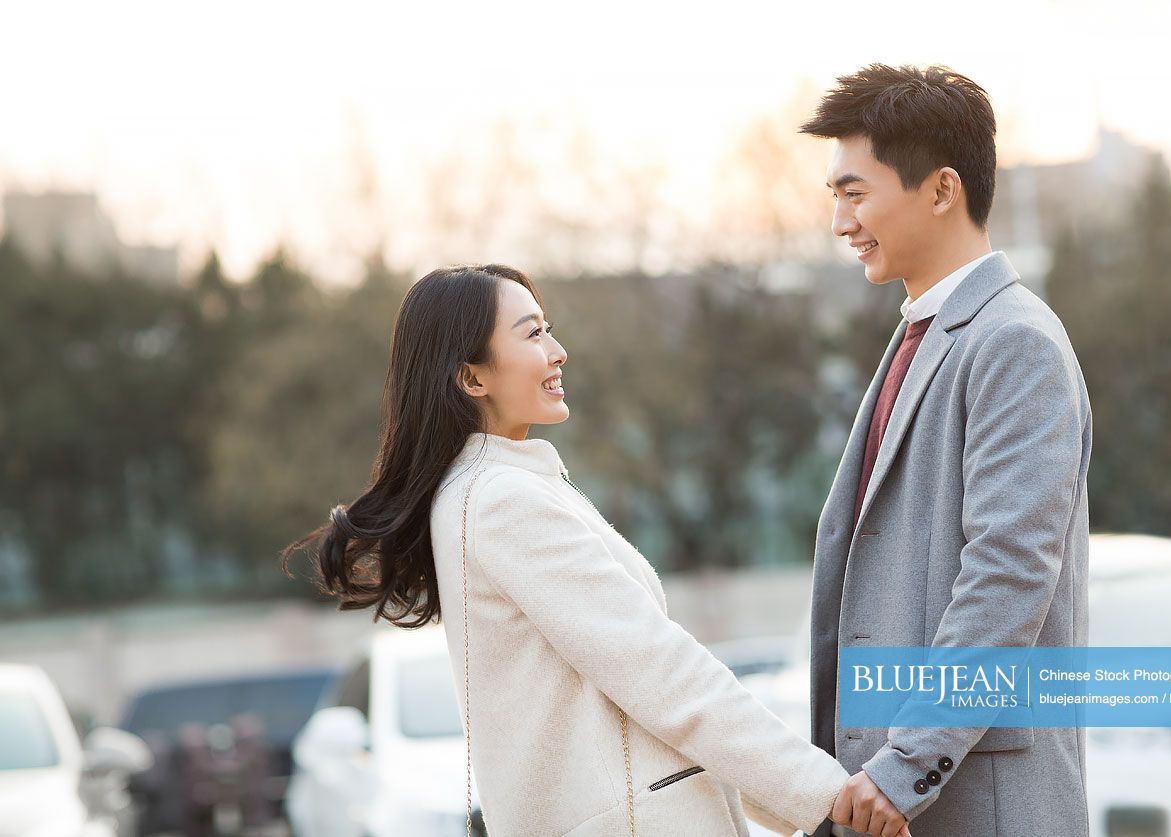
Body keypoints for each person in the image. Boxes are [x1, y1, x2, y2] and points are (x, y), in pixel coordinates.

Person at [283, 264, 912, 837]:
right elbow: (660, 672)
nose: (558, 352)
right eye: (532, 336)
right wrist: (828, 793)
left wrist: (802, 806)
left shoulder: (504, 488)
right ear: (472, 375)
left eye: (548, 330)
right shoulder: (501, 501)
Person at [799, 64, 1092, 836]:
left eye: (853, 193)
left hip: (977, 803)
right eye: (836, 196)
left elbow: (1008, 573)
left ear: (940, 190)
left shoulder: (1013, 342)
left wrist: (904, 766)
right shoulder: (921, 333)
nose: (839, 221)